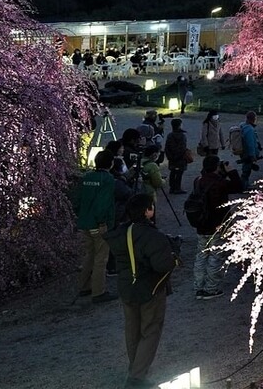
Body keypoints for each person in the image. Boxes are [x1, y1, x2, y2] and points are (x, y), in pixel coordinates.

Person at [105, 193, 180, 389]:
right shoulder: (152, 236)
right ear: (147, 210)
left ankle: (135, 367)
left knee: (132, 330)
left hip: (127, 287)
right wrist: (174, 254)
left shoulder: (120, 232)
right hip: (150, 289)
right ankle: (137, 377)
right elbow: (162, 265)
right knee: (150, 330)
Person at [191, 155, 243, 299]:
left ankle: (199, 287)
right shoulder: (220, 183)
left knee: (201, 255)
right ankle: (211, 289)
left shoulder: (198, 180)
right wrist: (230, 171)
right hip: (218, 224)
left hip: (201, 223)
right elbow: (239, 186)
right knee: (215, 257)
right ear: (216, 167)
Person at [74, 150, 118, 303]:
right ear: (111, 164)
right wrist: (102, 222)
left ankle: (84, 286)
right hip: (98, 224)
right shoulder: (107, 179)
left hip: (84, 222)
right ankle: (98, 291)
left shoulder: (86, 177)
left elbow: (77, 199)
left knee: (89, 255)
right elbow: (103, 203)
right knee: (101, 258)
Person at [237, 111, 263, 190]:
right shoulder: (250, 129)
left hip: (243, 151)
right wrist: (252, 155)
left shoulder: (242, 126)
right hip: (248, 153)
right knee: (246, 170)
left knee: (246, 168)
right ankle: (243, 186)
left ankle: (244, 185)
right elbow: (250, 144)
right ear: (254, 119)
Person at [163, 118, 189, 195]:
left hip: (172, 158)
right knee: (179, 173)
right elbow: (182, 148)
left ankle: (172, 187)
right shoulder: (182, 136)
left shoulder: (170, 135)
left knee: (173, 172)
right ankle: (177, 188)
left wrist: (170, 156)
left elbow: (167, 147)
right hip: (180, 158)